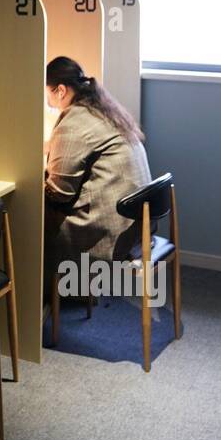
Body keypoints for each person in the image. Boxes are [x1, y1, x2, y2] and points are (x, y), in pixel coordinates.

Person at [44, 56, 152, 292]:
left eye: (48, 94)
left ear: (60, 90)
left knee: (28, 215)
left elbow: (60, 193)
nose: (48, 102)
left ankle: (37, 297)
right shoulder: (102, 110)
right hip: (136, 224)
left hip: (108, 232)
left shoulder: (73, 122)